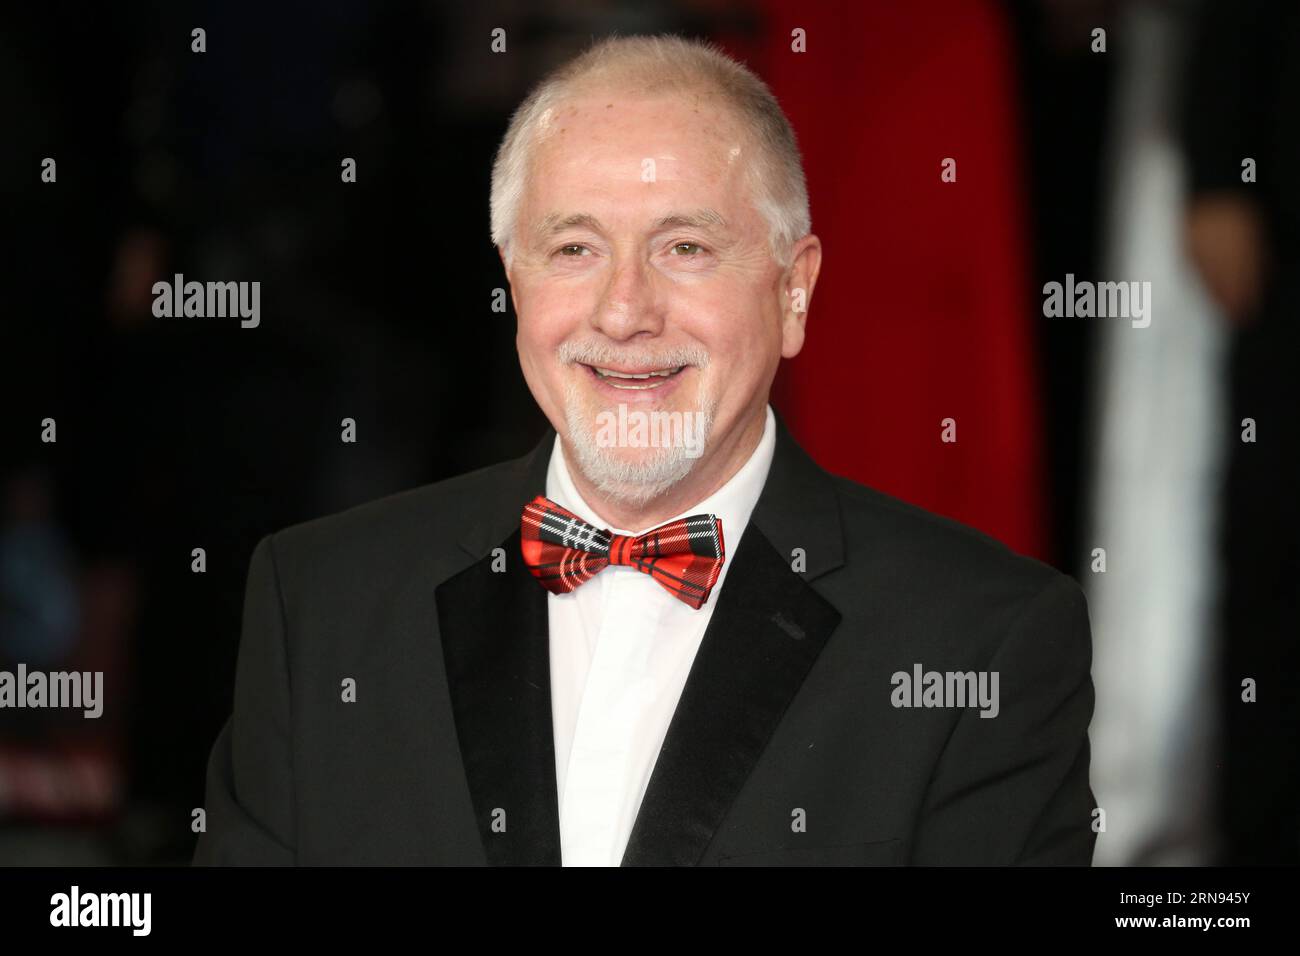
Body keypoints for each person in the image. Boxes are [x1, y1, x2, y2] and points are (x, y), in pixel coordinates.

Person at [193, 35, 1096, 866]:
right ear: (514, 285)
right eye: (576, 248)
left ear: (794, 293)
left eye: (686, 247)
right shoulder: (318, 603)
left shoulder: (986, 640)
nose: (625, 311)